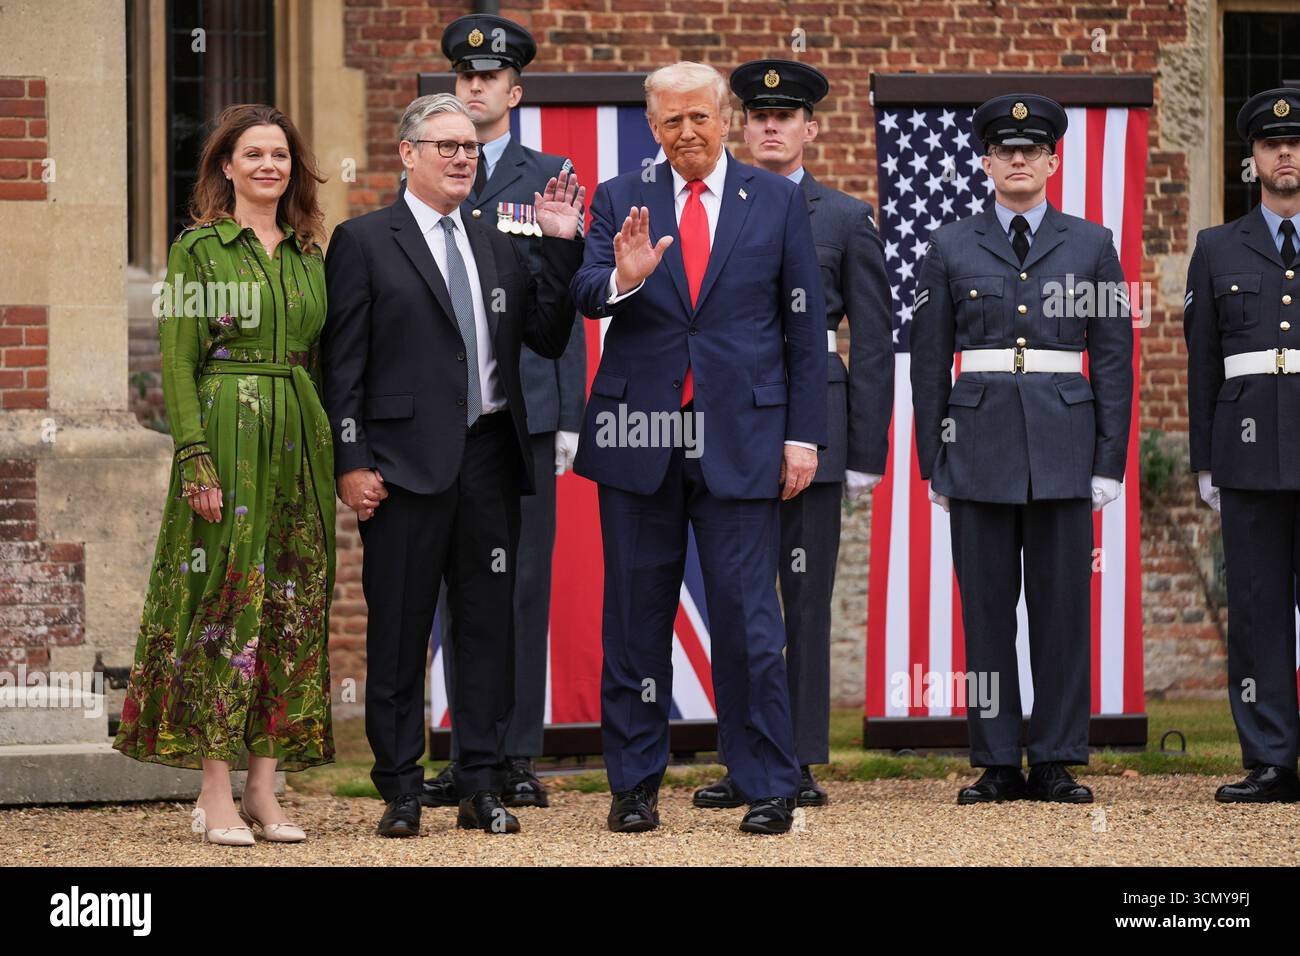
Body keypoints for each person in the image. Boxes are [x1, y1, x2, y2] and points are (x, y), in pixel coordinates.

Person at [571, 61, 827, 835]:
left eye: (700, 118)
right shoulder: (621, 198)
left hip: (742, 441)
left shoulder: (777, 202)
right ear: (653, 128)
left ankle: (769, 781)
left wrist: (802, 436)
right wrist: (622, 275)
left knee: (751, 623)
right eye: (670, 120)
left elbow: (804, 331)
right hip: (639, 439)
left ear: (726, 120)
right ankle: (635, 785)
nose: (686, 131)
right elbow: (583, 292)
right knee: (635, 622)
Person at [321, 93, 583, 837]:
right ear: (407, 154)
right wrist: (351, 458)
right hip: (402, 468)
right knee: (401, 633)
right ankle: (401, 787)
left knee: (486, 631)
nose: (463, 159)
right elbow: (342, 366)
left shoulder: (499, 237)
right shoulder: (366, 240)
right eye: (447, 147)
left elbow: (547, 332)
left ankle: (480, 782)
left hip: (489, 460)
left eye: (470, 148)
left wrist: (561, 245)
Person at [113, 104, 334, 846]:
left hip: (297, 435)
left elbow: (324, 359)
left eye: (280, 155)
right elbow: (177, 361)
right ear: (227, 167)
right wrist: (194, 457)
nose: (269, 165)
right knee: (223, 607)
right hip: (227, 434)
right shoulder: (198, 250)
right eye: (254, 154)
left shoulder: (309, 253)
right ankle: (213, 793)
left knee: (290, 607)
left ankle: (265, 791)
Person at [910, 94, 1133, 805]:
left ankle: (1060, 756)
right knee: (985, 611)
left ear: (1052, 161)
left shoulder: (1093, 243)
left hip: (1066, 447)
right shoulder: (949, 245)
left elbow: (1115, 360)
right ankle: (998, 757)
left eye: (1030, 151)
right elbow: (927, 364)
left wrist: (1108, 462)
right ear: (985, 161)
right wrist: (933, 463)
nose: (1017, 160)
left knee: (1063, 611)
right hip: (975, 446)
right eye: (1005, 151)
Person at [692, 60, 894, 812]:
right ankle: (743, 756)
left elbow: (873, 342)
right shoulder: (711, 209)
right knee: (737, 601)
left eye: (788, 115)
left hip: (815, 430)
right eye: (759, 114)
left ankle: (799, 758)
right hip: (730, 431)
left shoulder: (843, 217)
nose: (772, 125)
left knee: (803, 603)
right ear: (743, 126)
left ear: (812, 128)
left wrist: (865, 451)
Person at [422, 12, 586, 812]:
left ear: (514, 91)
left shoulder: (548, 173)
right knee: (455, 585)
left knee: (521, 585)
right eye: (465, 76)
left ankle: (518, 752)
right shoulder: (427, 175)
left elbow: (567, 295)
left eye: (490, 77)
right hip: (448, 417)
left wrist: (570, 417)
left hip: (527, 414)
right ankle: (465, 751)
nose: (476, 85)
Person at [1184, 87, 1300, 803]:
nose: (1286, 153)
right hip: (1249, 453)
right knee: (1255, 606)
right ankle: (1270, 759)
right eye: (1271, 144)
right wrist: (1205, 460)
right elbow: (1201, 362)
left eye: (1295, 143)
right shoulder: (1216, 247)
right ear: (1250, 160)